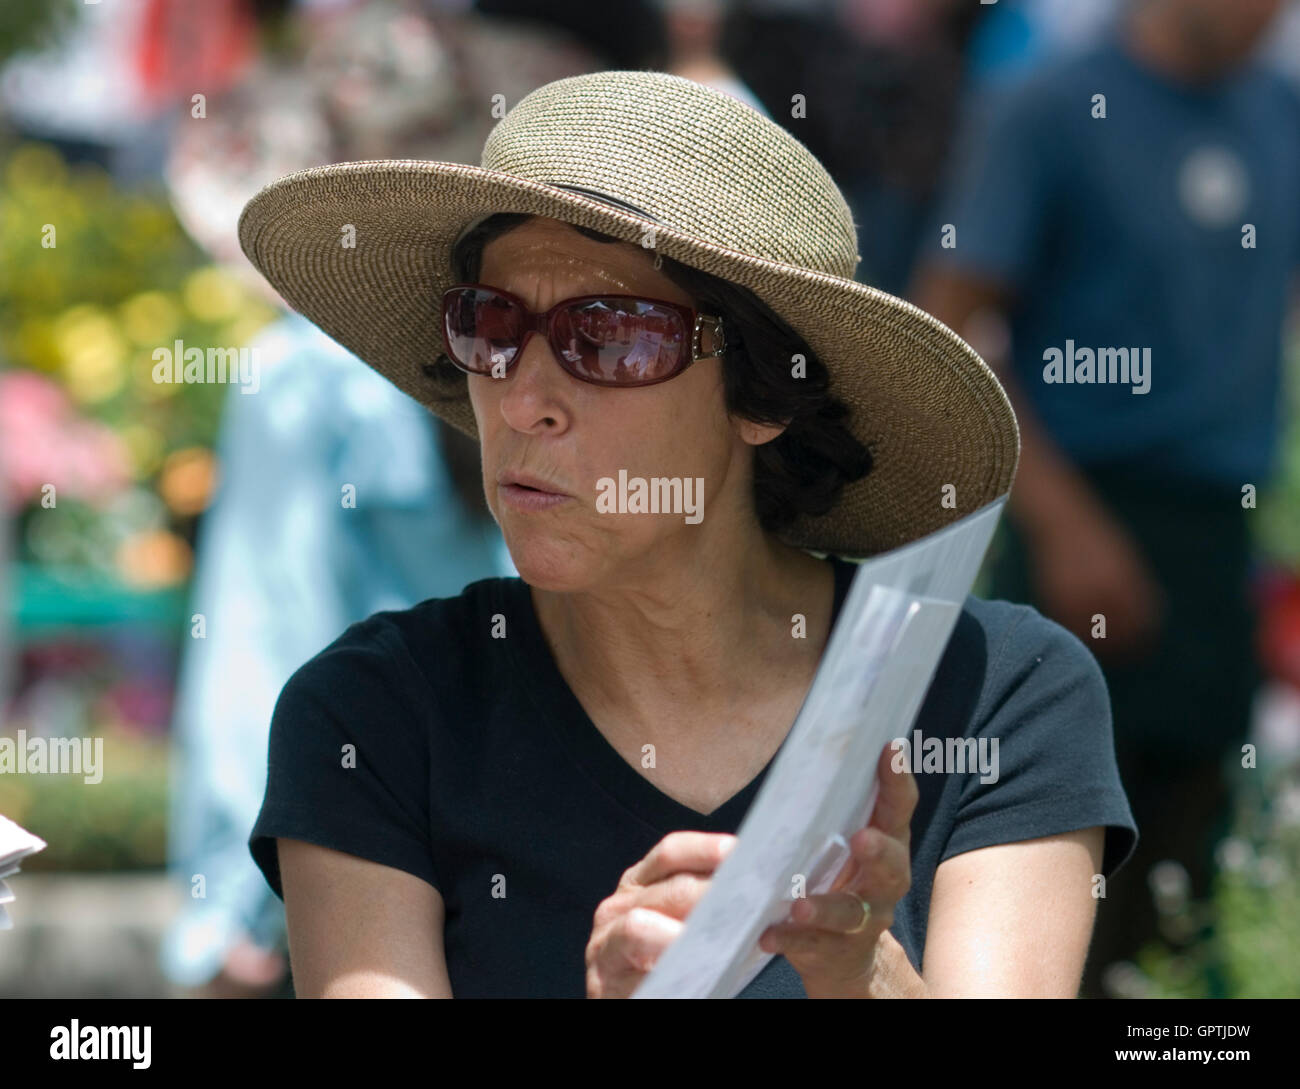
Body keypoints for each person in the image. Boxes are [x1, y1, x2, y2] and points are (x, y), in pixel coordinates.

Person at [241, 69, 1136, 998]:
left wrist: (858, 971)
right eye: (491, 323)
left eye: (611, 337)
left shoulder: (994, 693)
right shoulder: (377, 715)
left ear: (762, 397)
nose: (525, 398)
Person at [910, 0, 1299, 996]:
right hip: (1077, 517)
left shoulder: (1278, 111)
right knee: (1046, 861)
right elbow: (947, 334)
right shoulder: (1044, 106)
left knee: (1185, 886)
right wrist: (1064, 523)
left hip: (1217, 534)